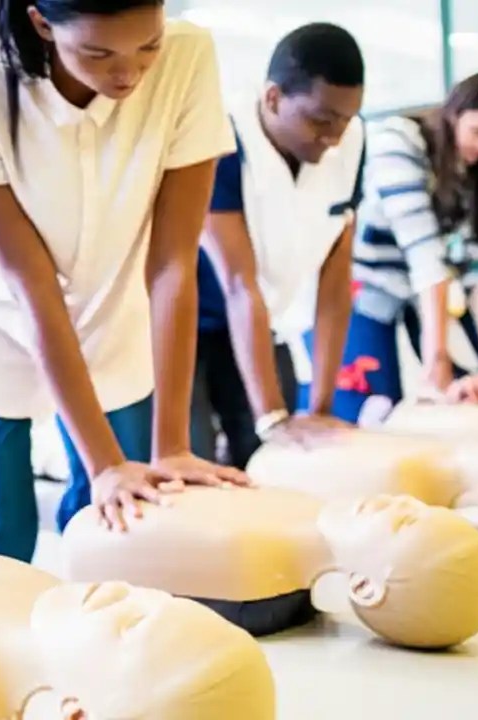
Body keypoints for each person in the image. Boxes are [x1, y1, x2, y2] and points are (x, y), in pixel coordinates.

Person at [0, 0, 247, 563]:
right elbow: (33, 287)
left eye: (148, 46)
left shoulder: (189, 57)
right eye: (98, 53)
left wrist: (173, 445)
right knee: (2, 532)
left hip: (113, 312)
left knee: (125, 512)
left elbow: (172, 264)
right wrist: (105, 464)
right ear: (42, 22)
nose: (129, 74)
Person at [192, 23, 365, 468]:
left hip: (262, 320)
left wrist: (321, 409)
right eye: (321, 120)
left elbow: (334, 279)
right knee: (194, 459)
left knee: (280, 458)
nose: (334, 137)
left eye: (346, 120)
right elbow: (237, 283)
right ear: (272, 98)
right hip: (187, 323)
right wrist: (271, 416)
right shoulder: (221, 138)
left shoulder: (349, 144)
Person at [329, 71, 478, 421]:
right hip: (369, 288)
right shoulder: (398, 142)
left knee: (474, 392)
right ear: (453, 114)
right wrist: (436, 360)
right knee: (374, 404)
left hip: (429, 294)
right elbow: (424, 254)